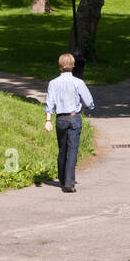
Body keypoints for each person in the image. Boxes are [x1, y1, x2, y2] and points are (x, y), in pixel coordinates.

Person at [44, 52, 95, 193]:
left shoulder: (53, 83)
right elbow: (89, 101)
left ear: (60, 65)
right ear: (73, 65)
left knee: (62, 149)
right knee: (72, 150)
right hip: (74, 118)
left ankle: (61, 178)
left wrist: (48, 120)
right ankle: (69, 182)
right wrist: (86, 106)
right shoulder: (78, 82)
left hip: (60, 119)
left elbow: (49, 103)